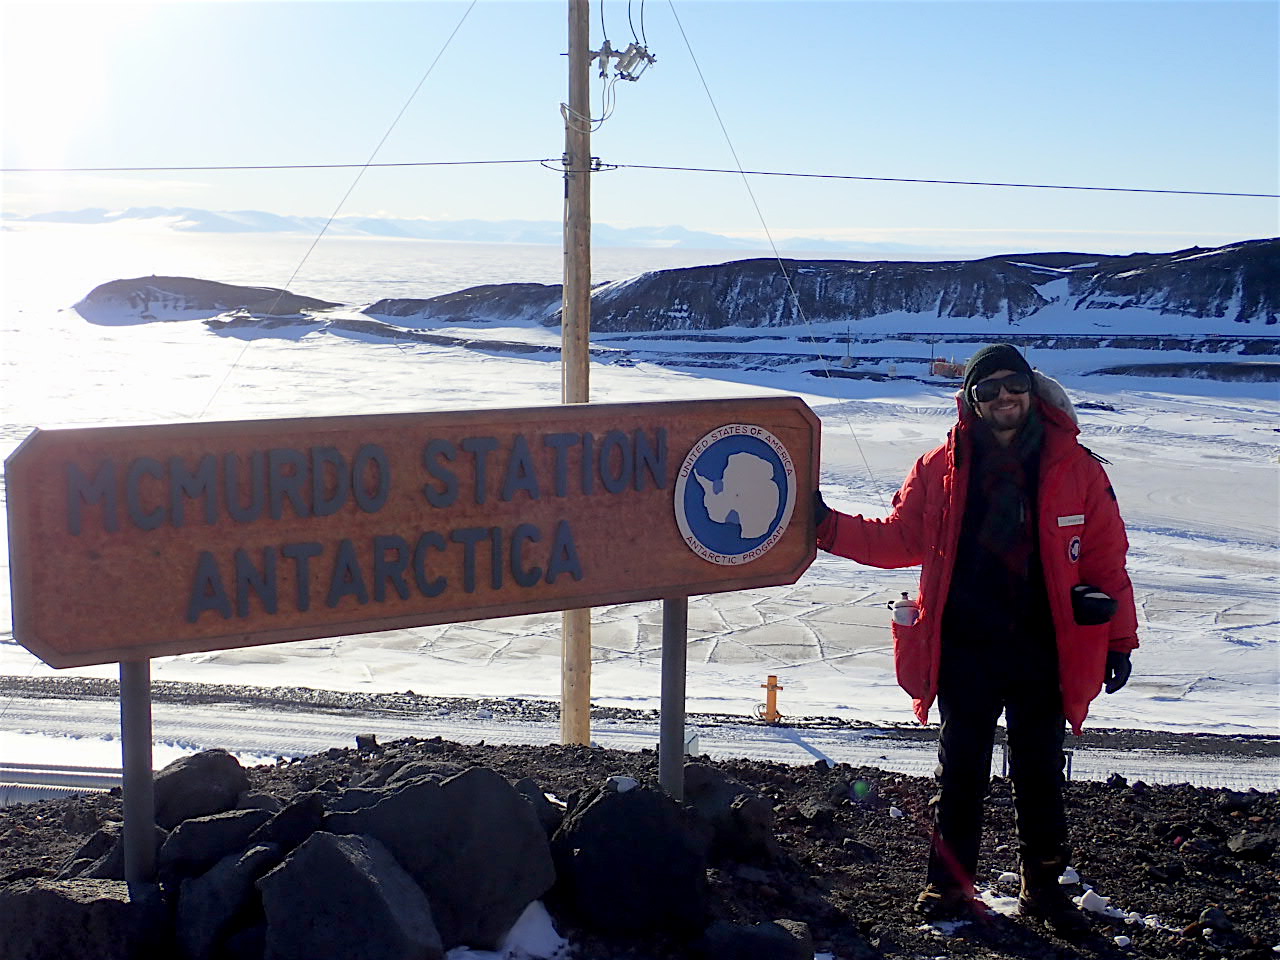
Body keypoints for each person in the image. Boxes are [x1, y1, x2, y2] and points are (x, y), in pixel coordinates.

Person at [813, 343, 1138, 934]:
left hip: (1043, 647)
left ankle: (1044, 888)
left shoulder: (1077, 466)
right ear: (971, 399)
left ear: (1031, 389)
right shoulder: (940, 466)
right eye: (987, 389)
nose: (1003, 398)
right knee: (961, 769)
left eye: (1012, 384)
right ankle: (948, 888)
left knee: (1040, 771)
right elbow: (900, 539)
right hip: (965, 644)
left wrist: (1120, 639)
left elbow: (1104, 560)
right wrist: (825, 527)